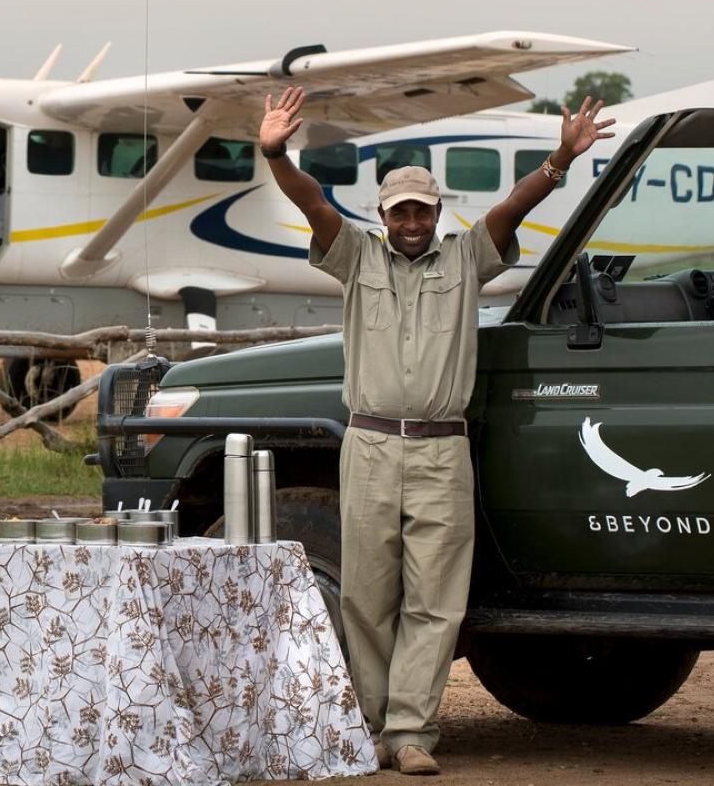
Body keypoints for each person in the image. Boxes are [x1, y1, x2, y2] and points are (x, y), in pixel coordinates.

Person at [258, 87, 614, 775]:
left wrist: (559, 159)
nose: (413, 221)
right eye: (401, 211)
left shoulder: (466, 259)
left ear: (437, 212)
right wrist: (274, 153)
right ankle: (366, 725)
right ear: (385, 216)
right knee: (366, 593)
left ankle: (411, 733)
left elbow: (513, 209)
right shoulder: (356, 256)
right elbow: (311, 203)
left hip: (441, 448)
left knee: (435, 598)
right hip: (369, 445)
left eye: (423, 209)